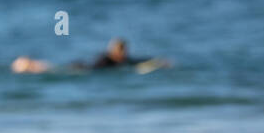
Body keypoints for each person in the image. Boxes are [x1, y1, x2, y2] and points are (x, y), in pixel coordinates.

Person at [11, 37, 170, 75]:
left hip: (84, 67)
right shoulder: (106, 59)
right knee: (53, 69)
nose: (124, 54)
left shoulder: (123, 60)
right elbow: (94, 69)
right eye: (122, 51)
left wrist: (158, 62)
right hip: (83, 68)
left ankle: (29, 64)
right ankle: (28, 64)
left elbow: (138, 60)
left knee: (54, 68)